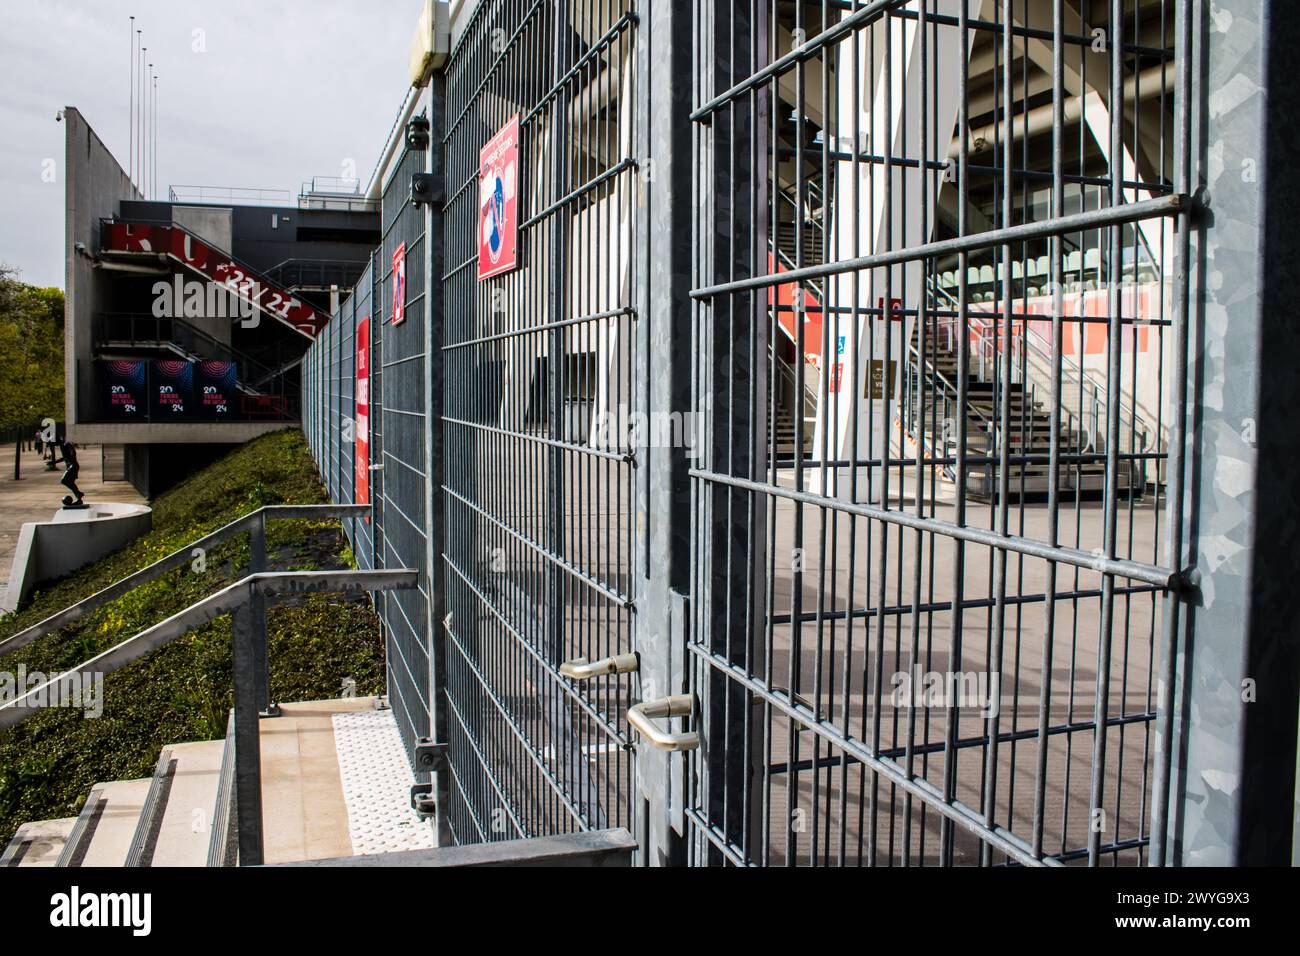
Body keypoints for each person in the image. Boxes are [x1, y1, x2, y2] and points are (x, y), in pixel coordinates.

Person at [53, 439, 84, 507]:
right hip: (71, 466)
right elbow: (64, 457)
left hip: (73, 466)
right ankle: (79, 498)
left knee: (64, 481)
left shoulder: (66, 444)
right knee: (70, 482)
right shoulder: (62, 445)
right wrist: (55, 462)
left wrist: (71, 457)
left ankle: (78, 494)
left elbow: (72, 452)